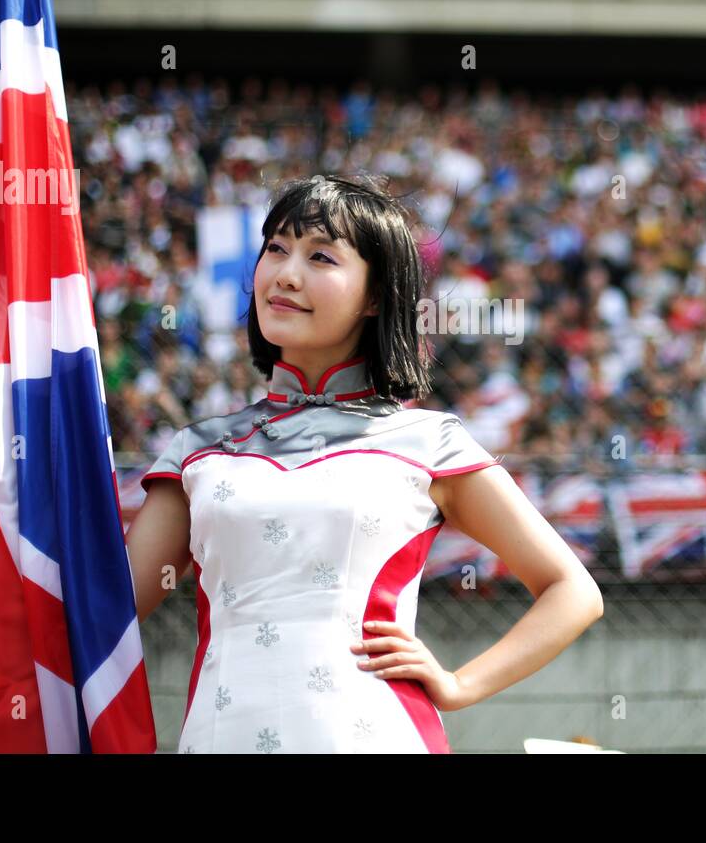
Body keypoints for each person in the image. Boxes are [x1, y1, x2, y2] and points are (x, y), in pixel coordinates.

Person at [126, 174, 604, 753]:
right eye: (276, 248)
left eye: (320, 256)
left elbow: (573, 590)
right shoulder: (196, 450)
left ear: (375, 297)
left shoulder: (428, 442)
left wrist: (458, 684)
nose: (286, 273)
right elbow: (110, 610)